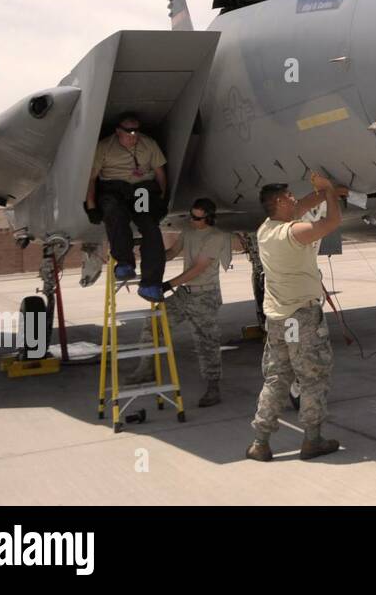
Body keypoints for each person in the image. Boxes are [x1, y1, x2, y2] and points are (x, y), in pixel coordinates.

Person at [246, 172, 343, 461]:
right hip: (302, 317)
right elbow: (332, 223)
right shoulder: (293, 233)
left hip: (278, 319)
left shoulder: (265, 230)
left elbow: (300, 207)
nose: (295, 199)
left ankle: (260, 442)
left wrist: (327, 192)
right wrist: (329, 194)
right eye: (289, 196)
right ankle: (312, 440)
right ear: (279, 202)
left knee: (276, 378)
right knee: (312, 377)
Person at [125, 198, 232, 407]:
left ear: (208, 218)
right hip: (185, 293)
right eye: (191, 216)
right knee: (153, 324)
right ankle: (147, 369)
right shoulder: (189, 232)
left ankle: (213, 387)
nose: (191, 220)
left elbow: (198, 268)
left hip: (205, 296)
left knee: (206, 342)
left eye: (197, 217)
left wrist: (167, 285)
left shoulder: (217, 237)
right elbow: (172, 253)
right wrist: (152, 257)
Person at [84, 112, 168, 303]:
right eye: (128, 131)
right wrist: (91, 205)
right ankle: (124, 263)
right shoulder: (105, 147)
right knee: (114, 212)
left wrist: (161, 199)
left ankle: (151, 283)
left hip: (140, 191)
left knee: (150, 226)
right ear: (118, 131)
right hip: (114, 188)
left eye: (136, 131)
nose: (133, 135)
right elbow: (92, 177)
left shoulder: (148, 144)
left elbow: (160, 173)